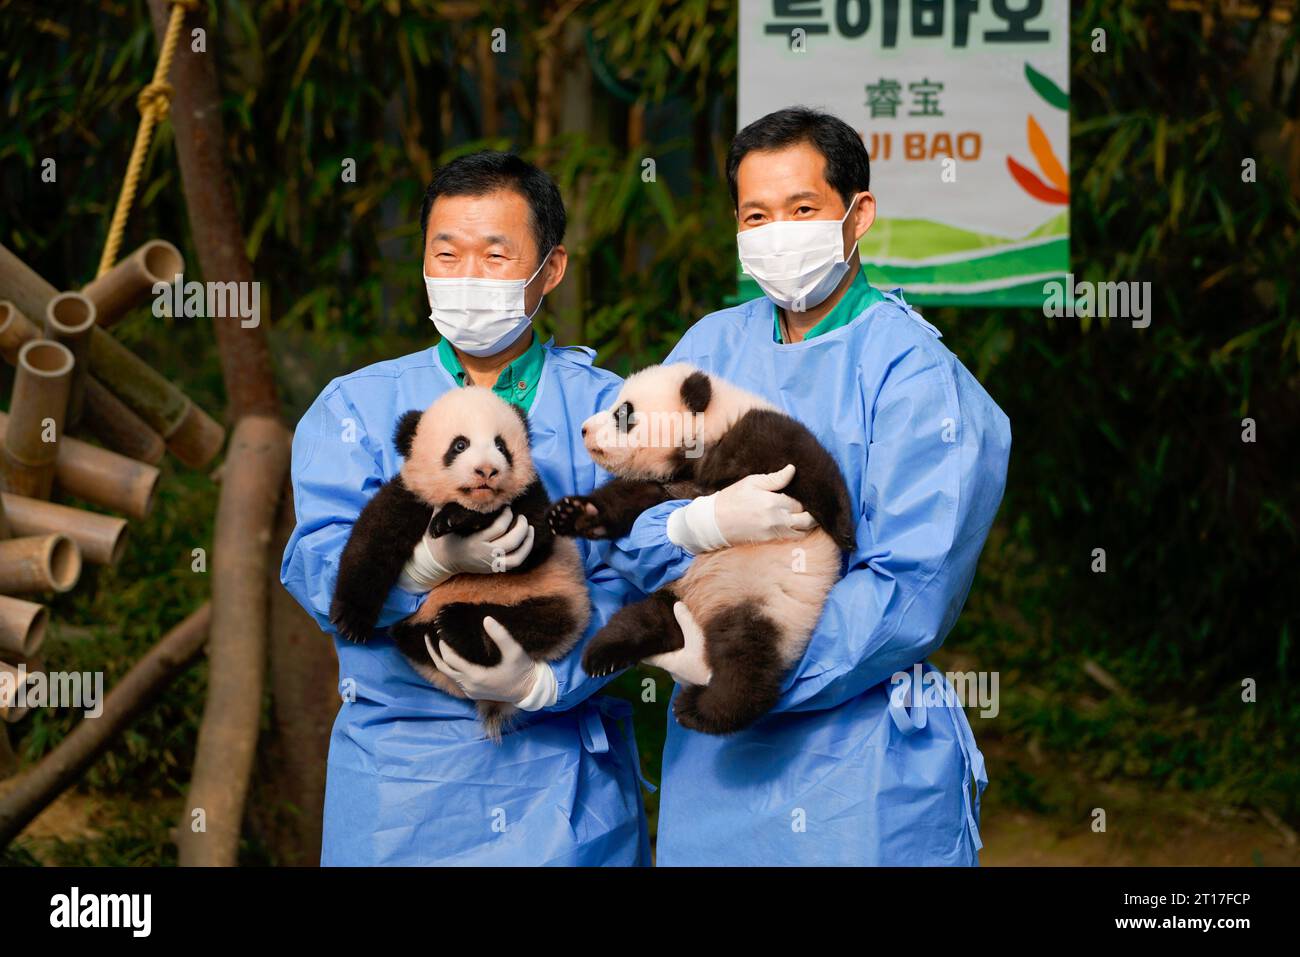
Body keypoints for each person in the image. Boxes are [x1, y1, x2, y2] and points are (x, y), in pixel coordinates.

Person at [609, 107, 1011, 865]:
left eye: (802, 210)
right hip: (713, 776)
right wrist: (689, 530)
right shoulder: (707, 348)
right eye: (757, 214)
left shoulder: (913, 375)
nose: (778, 231)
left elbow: (907, 591)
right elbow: (632, 524)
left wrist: (738, 672)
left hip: (854, 767)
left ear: (857, 214)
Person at [280, 151, 649, 866]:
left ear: (551, 269)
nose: (467, 277)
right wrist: (417, 566)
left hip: (565, 781)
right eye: (445, 254)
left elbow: (651, 578)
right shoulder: (356, 407)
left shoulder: (613, 410)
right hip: (402, 786)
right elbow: (319, 570)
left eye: (494, 254)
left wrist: (548, 680)